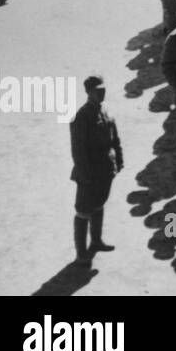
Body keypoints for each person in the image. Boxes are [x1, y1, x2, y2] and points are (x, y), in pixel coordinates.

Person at [69, 75, 123, 266]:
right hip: (89, 173)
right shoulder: (81, 117)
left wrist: (119, 160)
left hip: (106, 169)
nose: (102, 93)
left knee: (99, 203)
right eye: (98, 90)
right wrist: (85, 175)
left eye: (103, 89)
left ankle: (96, 241)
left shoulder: (106, 111)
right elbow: (78, 151)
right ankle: (81, 253)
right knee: (83, 210)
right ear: (89, 92)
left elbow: (115, 139)